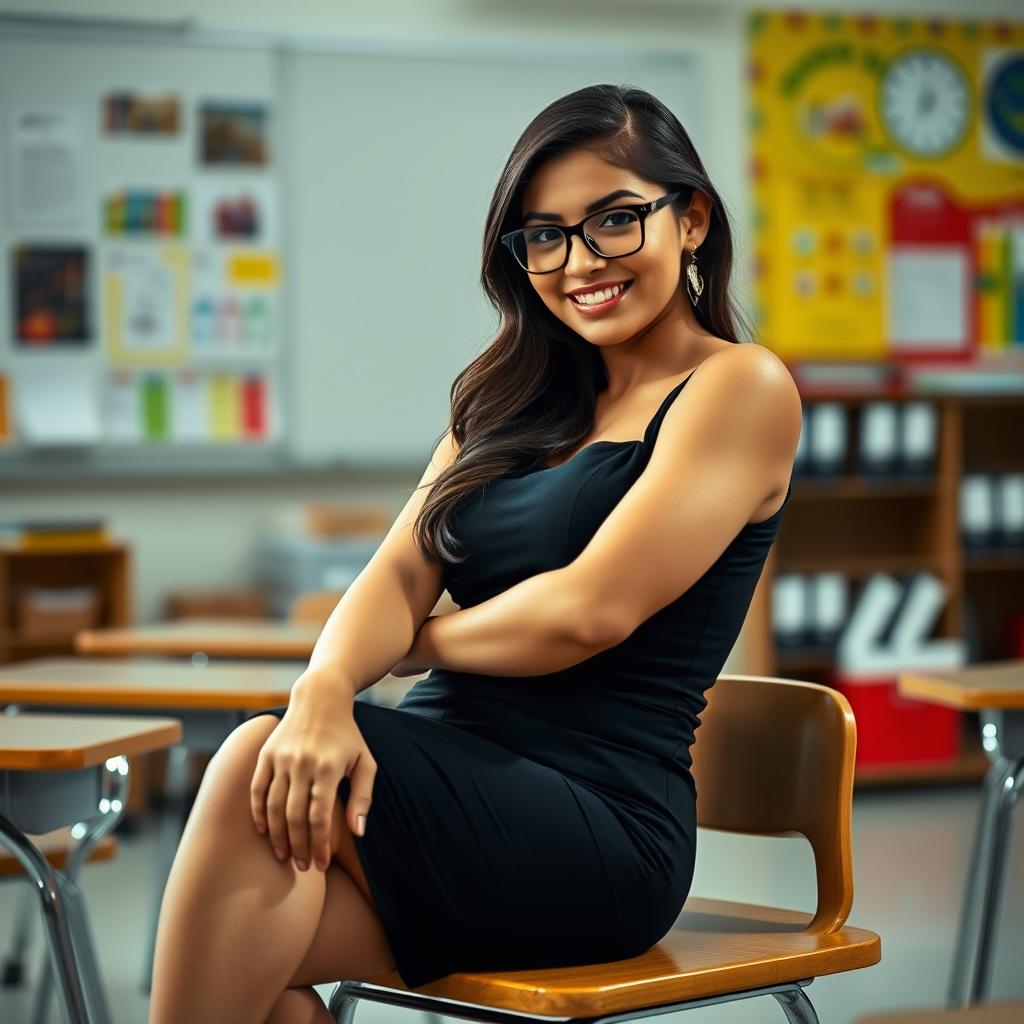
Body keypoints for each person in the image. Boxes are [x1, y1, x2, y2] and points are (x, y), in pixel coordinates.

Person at [148, 83, 801, 1024]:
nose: (580, 262)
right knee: (263, 971)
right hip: (451, 774)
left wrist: (410, 647)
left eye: (614, 221)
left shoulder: (738, 387)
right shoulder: (506, 396)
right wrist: (326, 688)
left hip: (599, 821)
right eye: (544, 235)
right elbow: (394, 573)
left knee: (259, 761)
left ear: (691, 218)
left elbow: (587, 612)